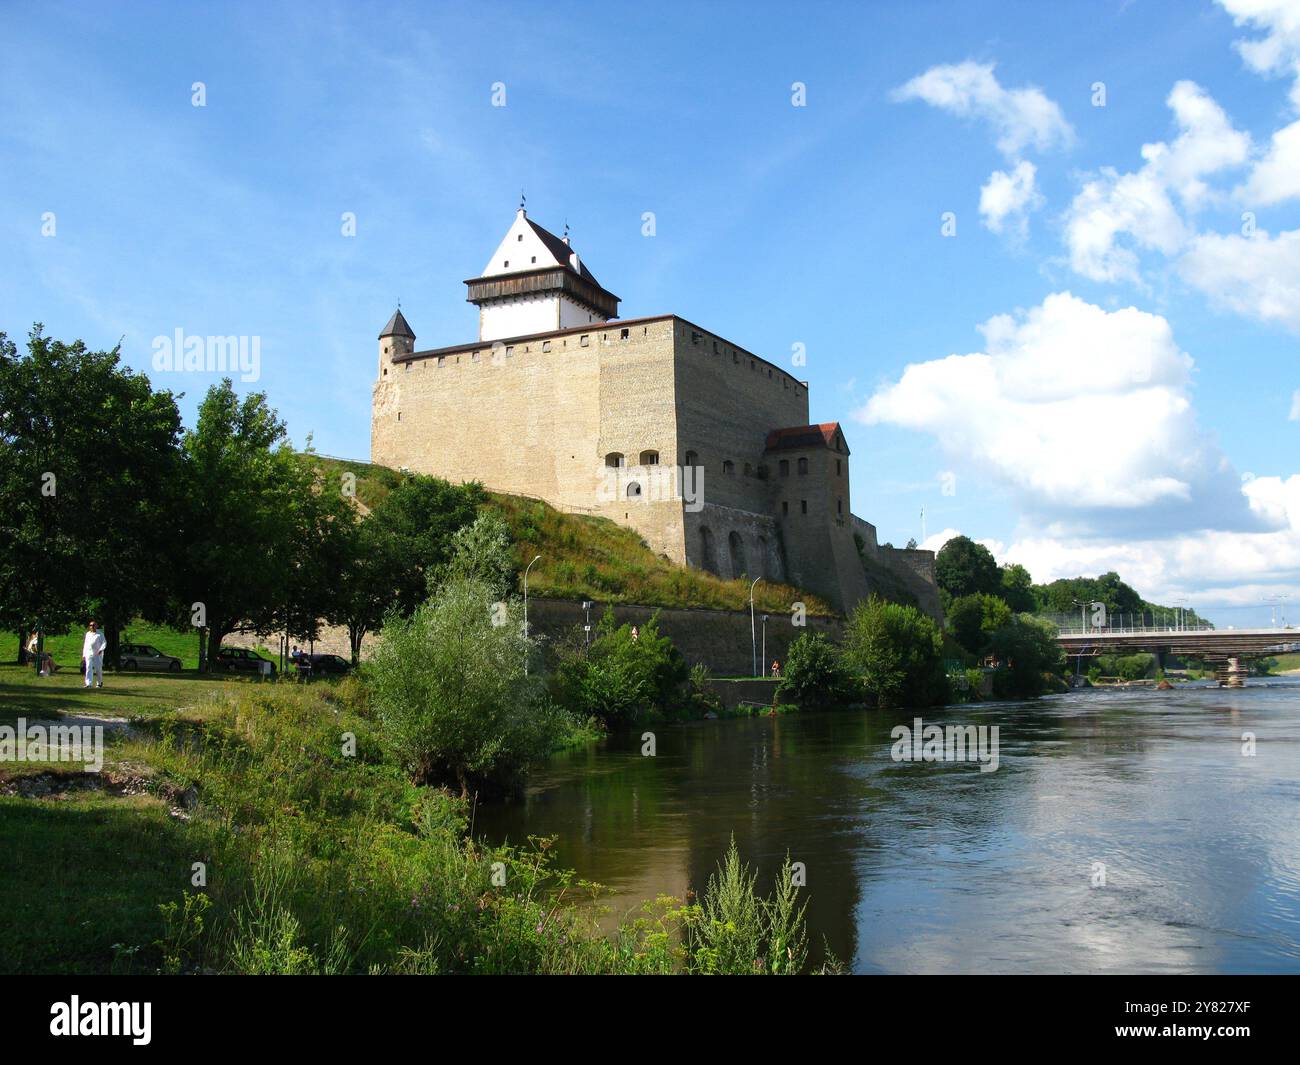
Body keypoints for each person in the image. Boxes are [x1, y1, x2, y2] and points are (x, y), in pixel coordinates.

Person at [82, 620, 106, 689]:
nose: (92, 626)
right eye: (90, 625)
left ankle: (99, 683)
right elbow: (85, 644)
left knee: (98, 669)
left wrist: (101, 650)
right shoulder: (88, 634)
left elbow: (104, 643)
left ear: (96, 626)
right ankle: (88, 684)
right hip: (89, 653)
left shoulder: (100, 634)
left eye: (93, 625)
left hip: (97, 654)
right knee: (88, 668)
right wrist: (84, 654)